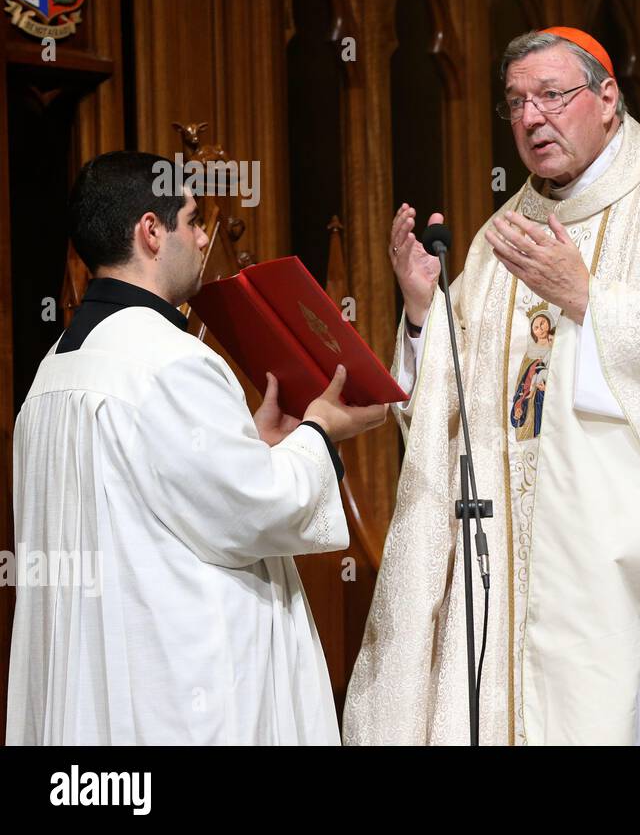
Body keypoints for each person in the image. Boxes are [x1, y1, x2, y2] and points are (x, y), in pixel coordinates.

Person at [344, 27, 640, 745]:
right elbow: (455, 398)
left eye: (552, 95)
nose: (530, 117)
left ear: (608, 97)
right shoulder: (507, 231)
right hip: (509, 551)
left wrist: (591, 302)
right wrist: (426, 310)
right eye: (516, 102)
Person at [7, 151, 386, 744]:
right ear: (151, 232)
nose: (206, 236)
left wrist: (253, 446)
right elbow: (255, 510)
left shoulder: (52, 371)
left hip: (100, 688)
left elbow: (164, 494)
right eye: (192, 219)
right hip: (182, 691)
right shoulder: (171, 360)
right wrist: (319, 432)